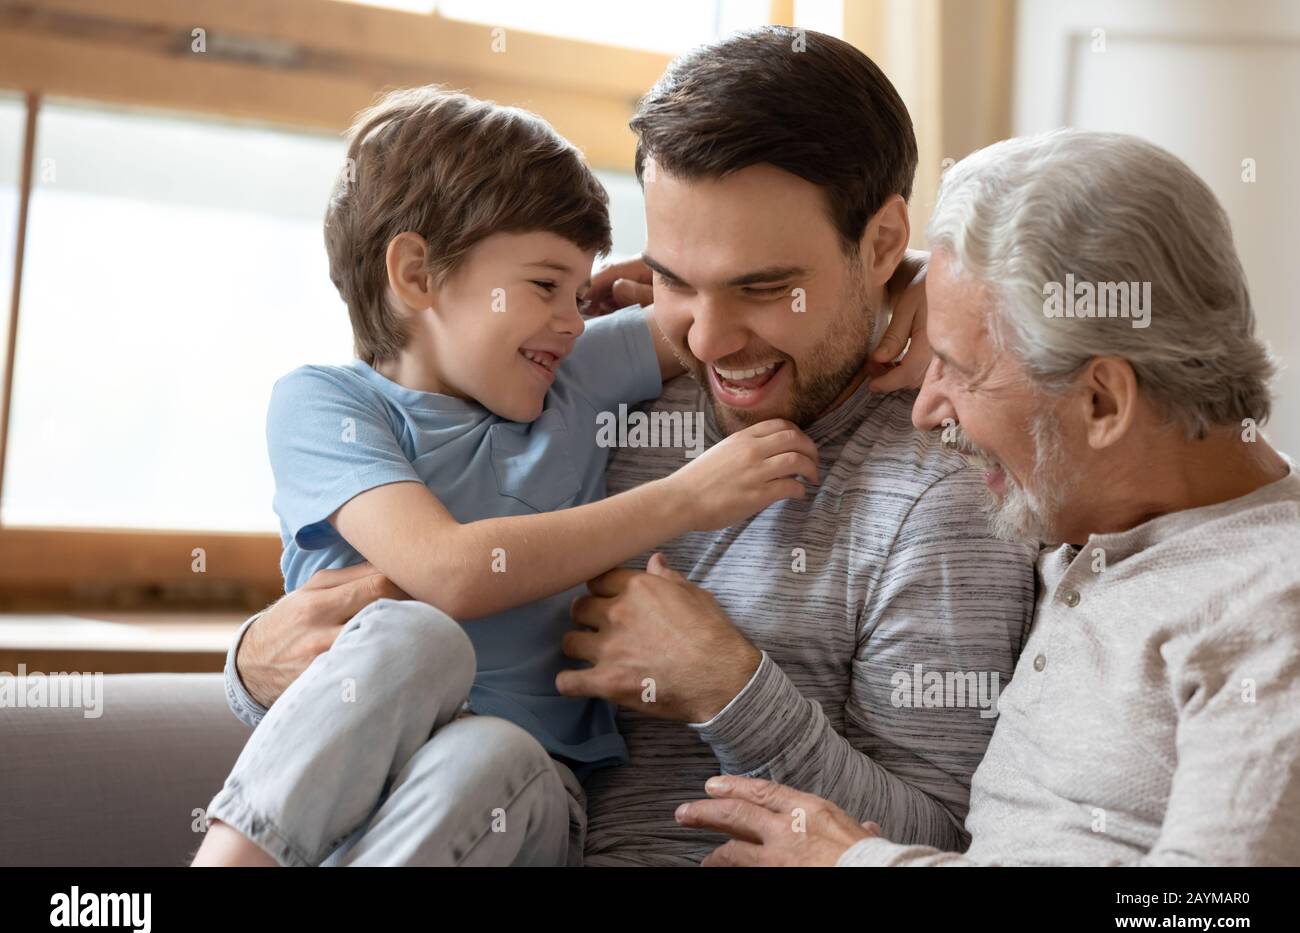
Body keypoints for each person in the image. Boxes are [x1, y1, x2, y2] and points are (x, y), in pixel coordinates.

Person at [192, 84, 829, 867]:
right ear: (417, 274)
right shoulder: (325, 406)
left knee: (493, 751)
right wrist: (686, 498)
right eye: (542, 285)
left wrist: (909, 279)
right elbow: (450, 571)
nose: (572, 317)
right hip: (342, 813)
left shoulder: (578, 377)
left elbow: (791, 301)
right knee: (415, 634)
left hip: (514, 807)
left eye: (579, 287)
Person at [675, 129, 1300, 867]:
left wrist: (857, 864)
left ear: (1102, 401)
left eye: (958, 369)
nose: (926, 406)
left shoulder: (1270, 612)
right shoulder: (1086, 508)